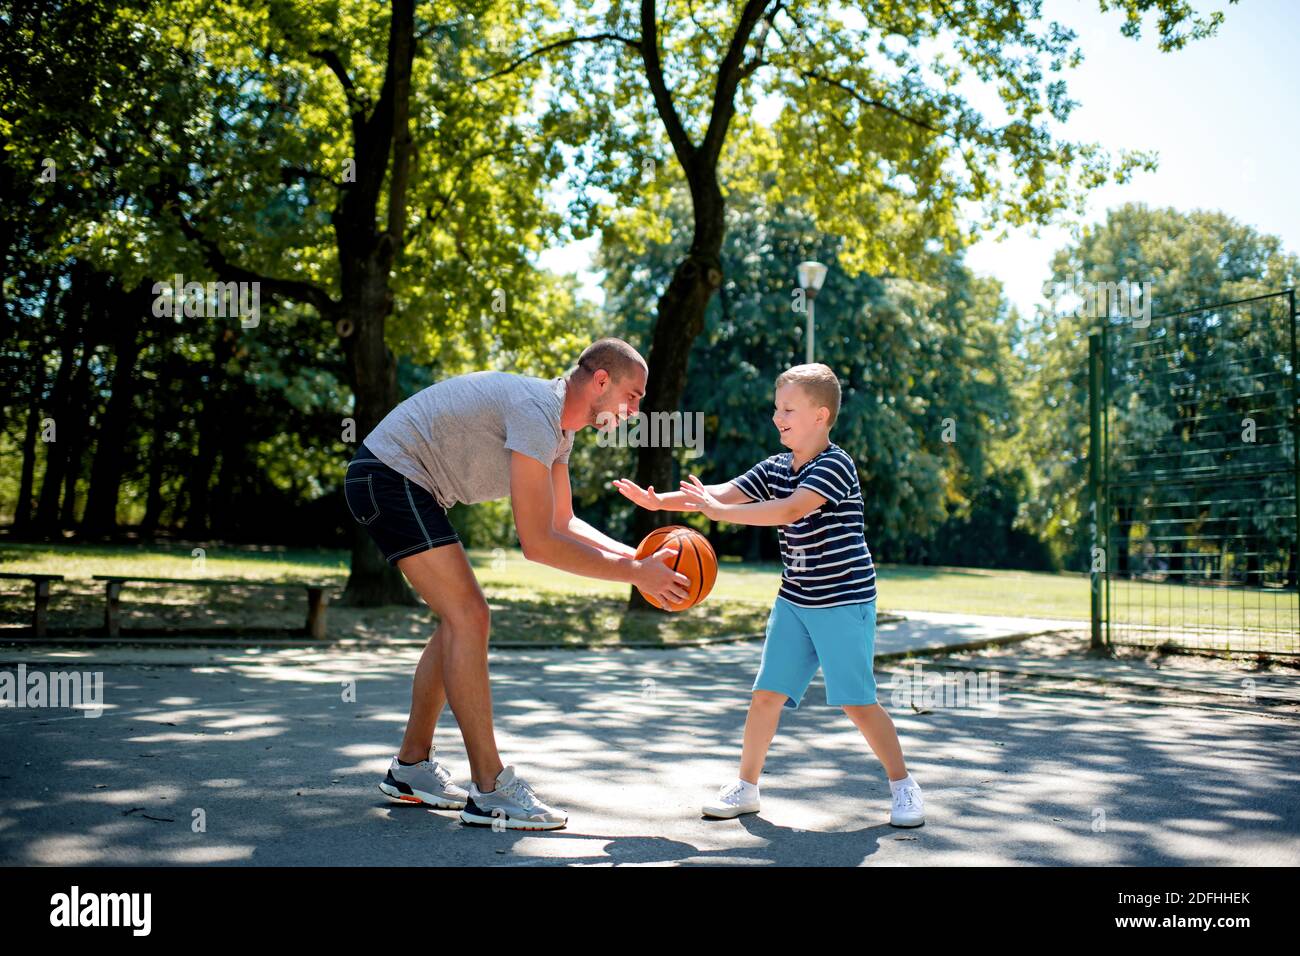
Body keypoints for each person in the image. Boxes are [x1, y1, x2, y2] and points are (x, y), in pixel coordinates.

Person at [344, 338, 689, 830]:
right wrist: (635, 576)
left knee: (459, 621)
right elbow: (539, 544)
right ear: (601, 381)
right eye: (633, 395)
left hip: (400, 482)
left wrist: (637, 557)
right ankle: (490, 789)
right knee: (470, 616)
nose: (636, 409)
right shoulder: (537, 412)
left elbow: (564, 521)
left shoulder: (559, 432)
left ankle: (412, 768)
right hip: (388, 476)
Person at [613, 362, 925, 827]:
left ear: (820, 416)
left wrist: (719, 512)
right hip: (795, 600)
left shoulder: (835, 465)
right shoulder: (774, 466)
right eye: (776, 408)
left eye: (788, 409)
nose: (778, 417)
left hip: (843, 600)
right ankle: (747, 787)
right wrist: (661, 503)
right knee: (765, 695)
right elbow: (717, 493)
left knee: (857, 702)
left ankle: (904, 786)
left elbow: (791, 510)